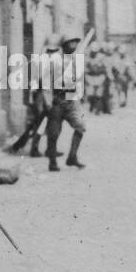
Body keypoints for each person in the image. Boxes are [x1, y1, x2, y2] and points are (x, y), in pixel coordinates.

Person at [43, 31, 87, 172]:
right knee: (54, 132)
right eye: (71, 42)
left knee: (80, 127)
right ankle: (52, 162)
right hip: (57, 99)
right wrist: (48, 100)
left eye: (75, 42)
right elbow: (46, 81)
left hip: (72, 99)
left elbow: (79, 79)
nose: (74, 45)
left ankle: (72, 157)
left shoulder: (76, 59)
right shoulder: (55, 59)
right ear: (64, 44)